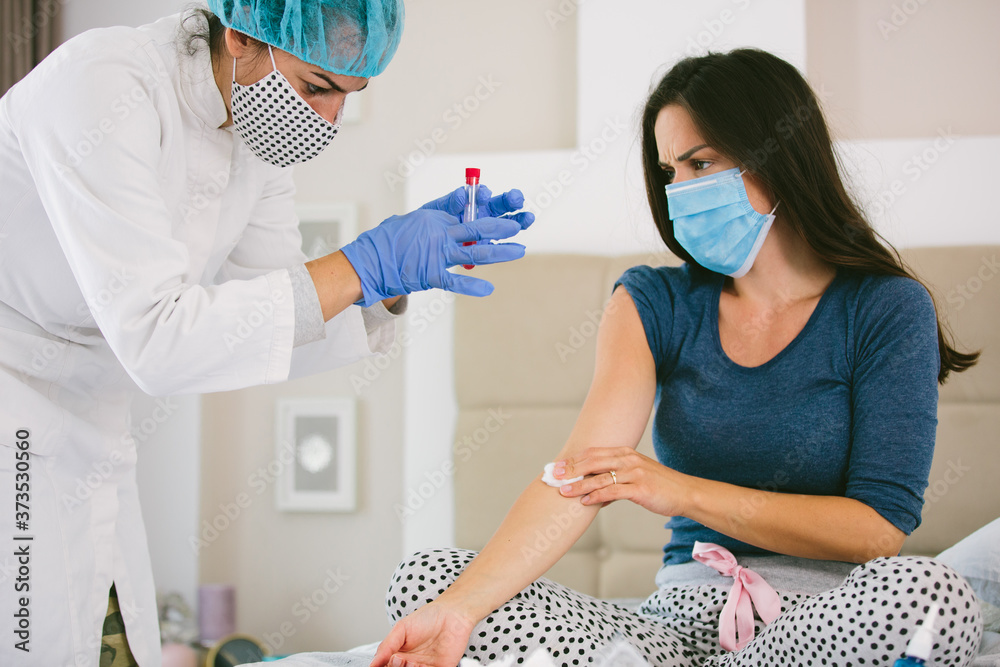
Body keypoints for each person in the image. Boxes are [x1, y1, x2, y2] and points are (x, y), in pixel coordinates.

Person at [370, 49, 984, 667]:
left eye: (701, 163)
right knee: (428, 583)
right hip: (674, 628)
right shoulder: (653, 302)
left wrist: (681, 492)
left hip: (820, 629)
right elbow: (577, 478)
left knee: (932, 594)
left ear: (779, 154)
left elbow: (878, 530)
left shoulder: (886, 308)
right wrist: (461, 610)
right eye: (669, 172)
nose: (680, 193)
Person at [0, 1, 534, 665]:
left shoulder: (253, 140)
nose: (329, 118)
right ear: (241, 35)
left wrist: (387, 281)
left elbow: (284, 319)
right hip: (15, 409)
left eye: (349, 94)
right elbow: (158, 341)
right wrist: (364, 261)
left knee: (105, 641)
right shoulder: (103, 87)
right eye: (316, 87)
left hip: (94, 426)